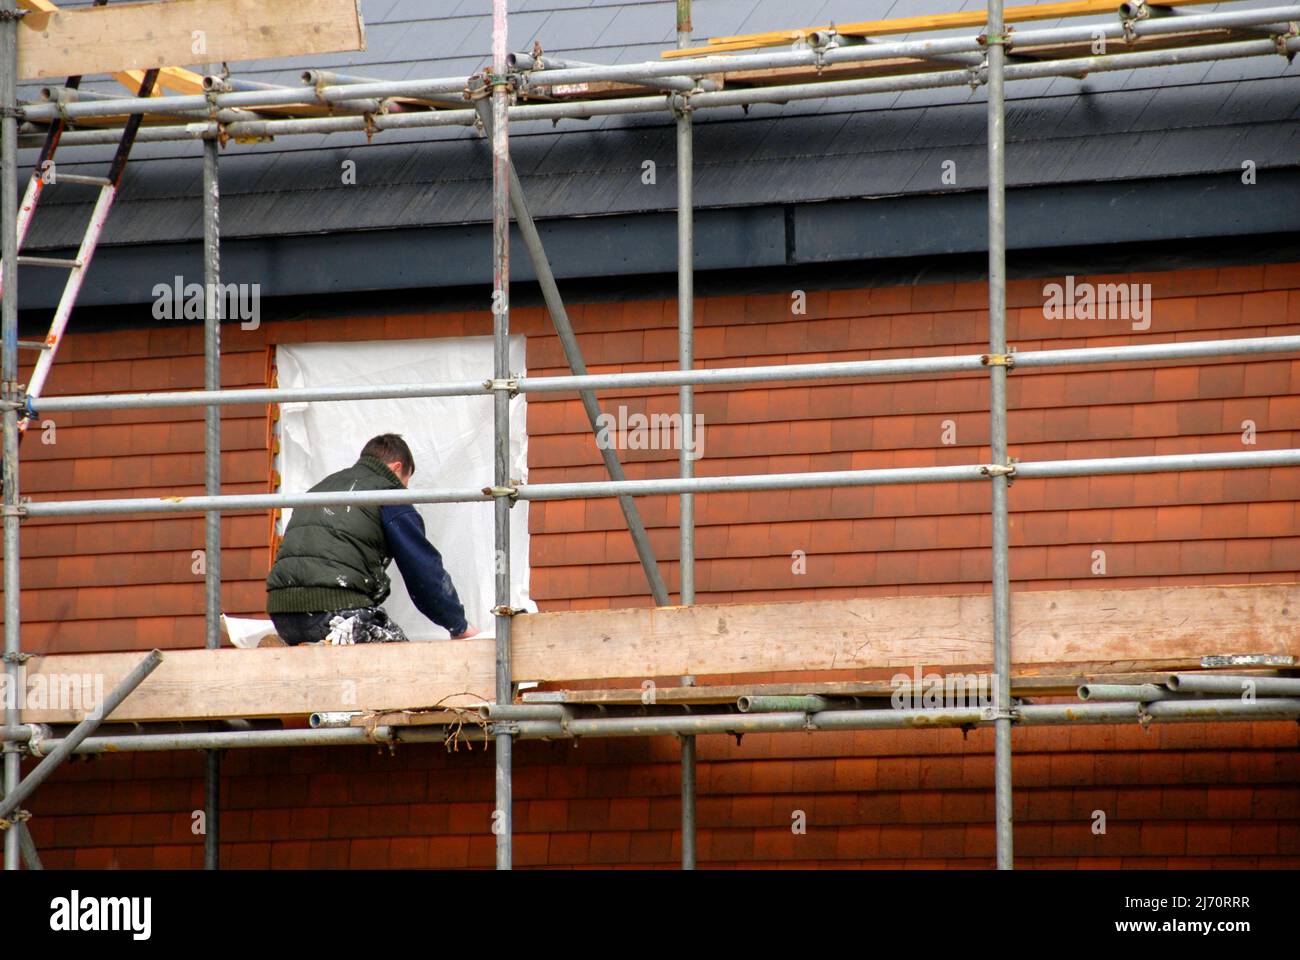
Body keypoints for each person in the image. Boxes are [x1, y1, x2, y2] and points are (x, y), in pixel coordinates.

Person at [266, 433, 479, 645]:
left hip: (282, 612)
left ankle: (309, 646)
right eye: (406, 482)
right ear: (396, 468)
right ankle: (333, 639)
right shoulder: (387, 492)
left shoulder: (320, 488)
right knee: (401, 657)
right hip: (334, 610)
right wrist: (458, 624)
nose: (404, 490)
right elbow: (421, 569)